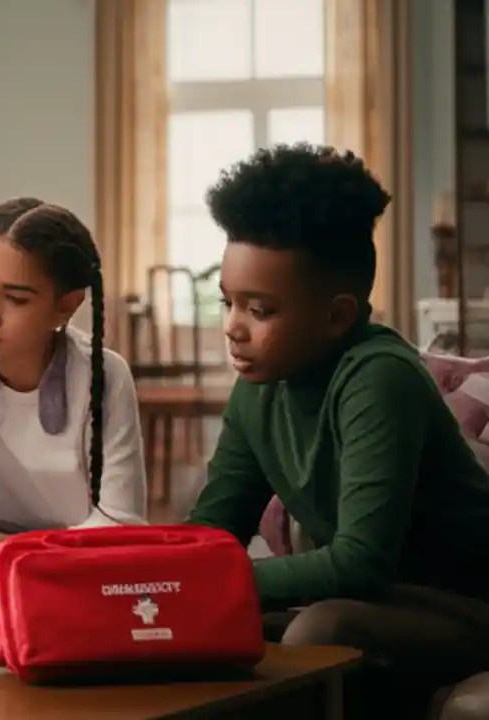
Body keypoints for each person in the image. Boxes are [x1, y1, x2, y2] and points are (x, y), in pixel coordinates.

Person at [187, 144, 489, 713]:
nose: (233, 328)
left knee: (316, 631)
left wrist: (213, 583)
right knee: (204, 628)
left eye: (260, 310)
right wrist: (150, 577)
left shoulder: (379, 378)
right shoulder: (257, 387)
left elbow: (359, 561)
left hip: (464, 605)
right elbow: (214, 529)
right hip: (381, 604)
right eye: (228, 303)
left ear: (337, 317)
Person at [0, 198, 146, 581]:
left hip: (76, 564)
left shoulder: (104, 376)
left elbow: (120, 521)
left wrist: (13, 548)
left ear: (65, 306)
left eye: (16, 298)